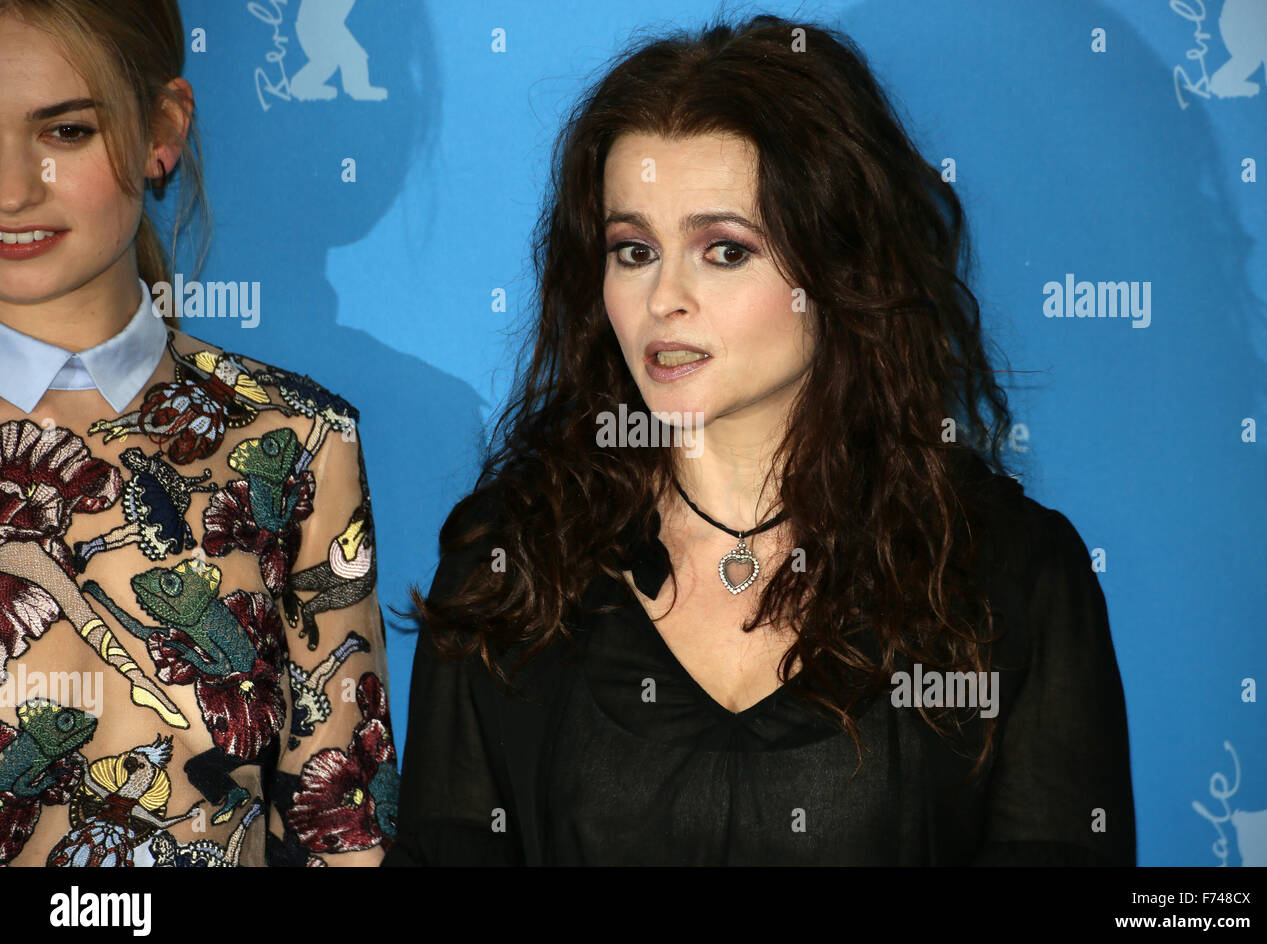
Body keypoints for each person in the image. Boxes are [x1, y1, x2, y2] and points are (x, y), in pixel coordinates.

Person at [385, 14, 1136, 866]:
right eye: (632, 250)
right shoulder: (512, 562)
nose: (664, 297)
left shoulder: (1009, 572)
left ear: (839, 265)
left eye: (725, 251)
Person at [0, 0, 395, 866]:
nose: (11, 189)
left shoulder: (295, 440)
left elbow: (342, 832)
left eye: (64, 131)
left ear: (162, 130)